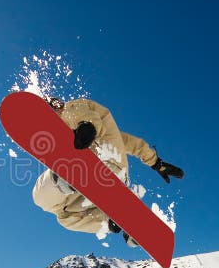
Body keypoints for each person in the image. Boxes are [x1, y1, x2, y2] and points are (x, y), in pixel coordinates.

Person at [32, 96, 184, 246]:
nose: (57, 108)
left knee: (39, 195)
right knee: (65, 217)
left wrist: (88, 126)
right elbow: (131, 143)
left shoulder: (72, 108)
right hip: (109, 178)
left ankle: (65, 178)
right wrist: (156, 162)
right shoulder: (97, 134)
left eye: (55, 104)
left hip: (102, 160)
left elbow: (86, 114)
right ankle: (115, 221)